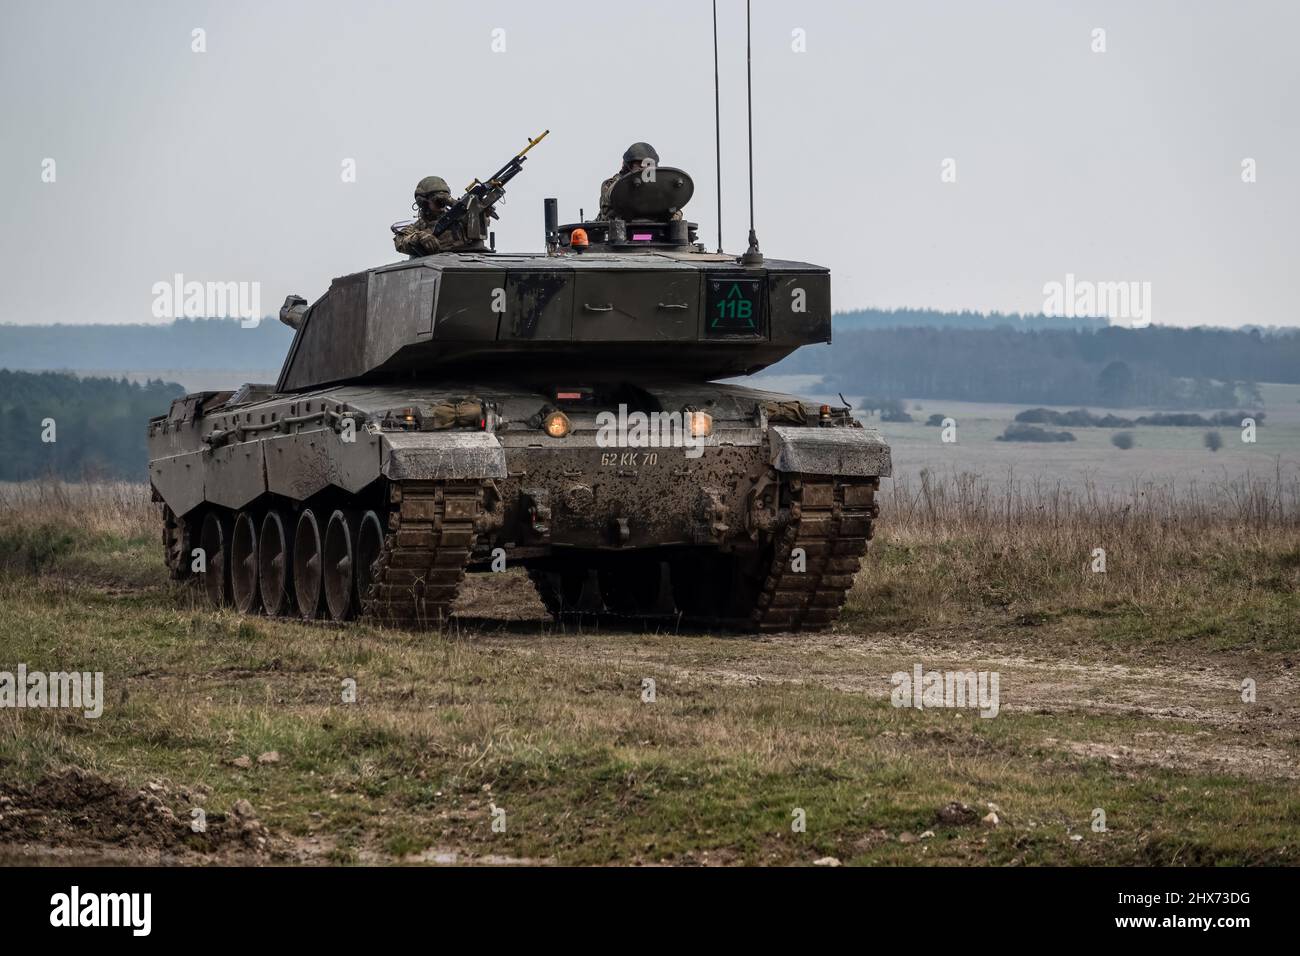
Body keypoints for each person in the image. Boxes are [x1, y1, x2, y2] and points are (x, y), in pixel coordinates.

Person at [392, 175, 485, 256]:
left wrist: (453, 203)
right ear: (423, 202)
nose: (442, 203)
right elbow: (400, 242)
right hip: (436, 265)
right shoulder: (417, 227)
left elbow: (479, 218)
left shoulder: (459, 217)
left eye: (444, 199)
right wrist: (419, 237)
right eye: (437, 200)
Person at [597, 142, 678, 221]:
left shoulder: (659, 187)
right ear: (629, 165)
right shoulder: (611, 184)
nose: (644, 169)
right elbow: (611, 198)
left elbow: (675, 210)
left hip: (653, 227)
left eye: (648, 165)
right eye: (639, 165)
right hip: (616, 227)